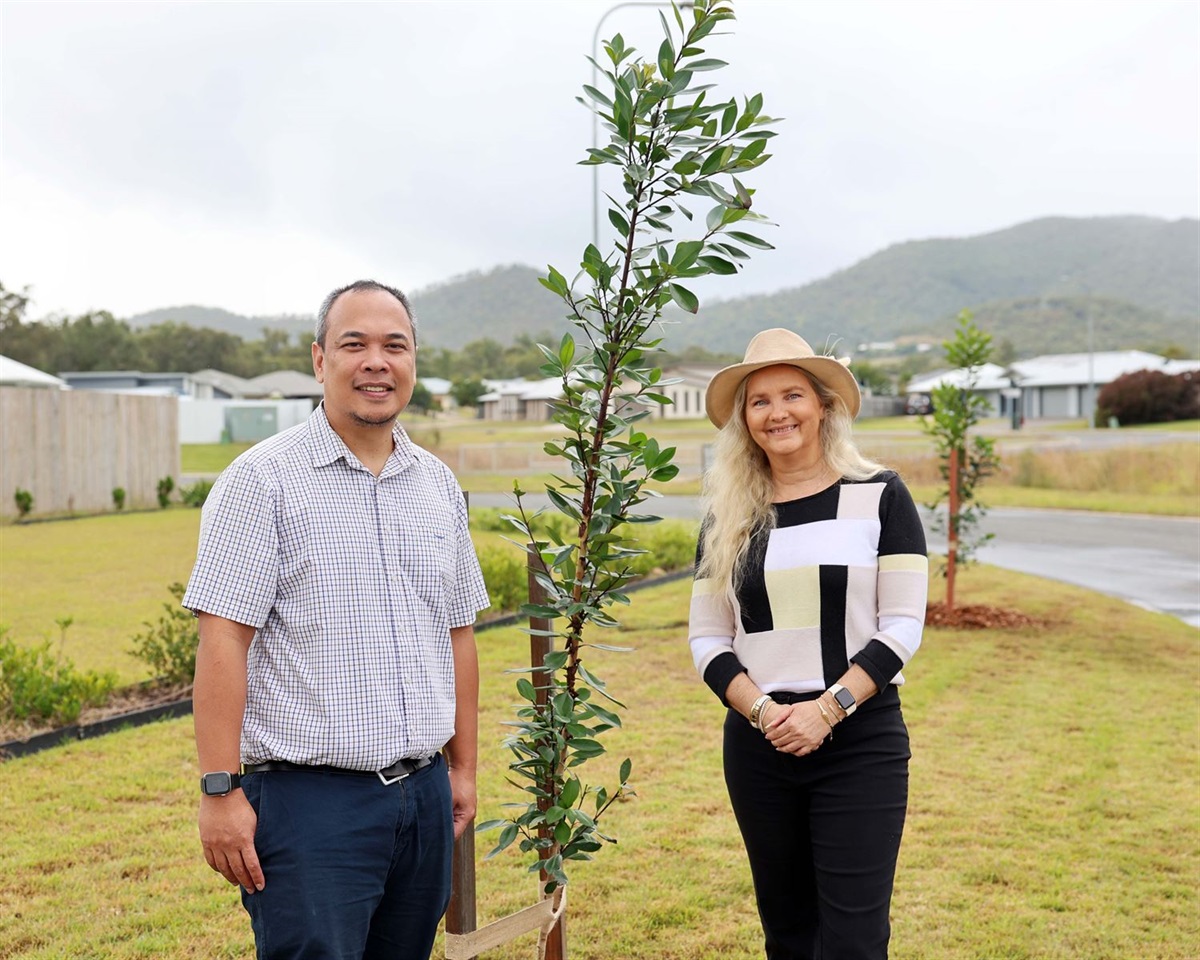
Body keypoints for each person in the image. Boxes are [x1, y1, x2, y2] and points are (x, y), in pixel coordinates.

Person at [183, 279, 490, 960]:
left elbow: (458, 633)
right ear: (321, 360)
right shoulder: (261, 481)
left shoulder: (437, 486)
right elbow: (222, 637)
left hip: (424, 798)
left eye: (394, 346)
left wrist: (462, 771)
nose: (376, 362)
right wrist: (218, 790)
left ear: (414, 362)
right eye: (355, 344)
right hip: (311, 808)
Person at [688, 328, 928, 960]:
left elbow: (902, 625)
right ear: (744, 419)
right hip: (759, 745)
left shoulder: (879, 495)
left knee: (853, 940)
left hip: (858, 741)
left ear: (823, 405)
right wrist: (767, 714)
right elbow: (708, 637)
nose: (777, 413)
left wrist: (827, 710)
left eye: (792, 394)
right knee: (789, 934)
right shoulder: (727, 516)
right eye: (759, 401)